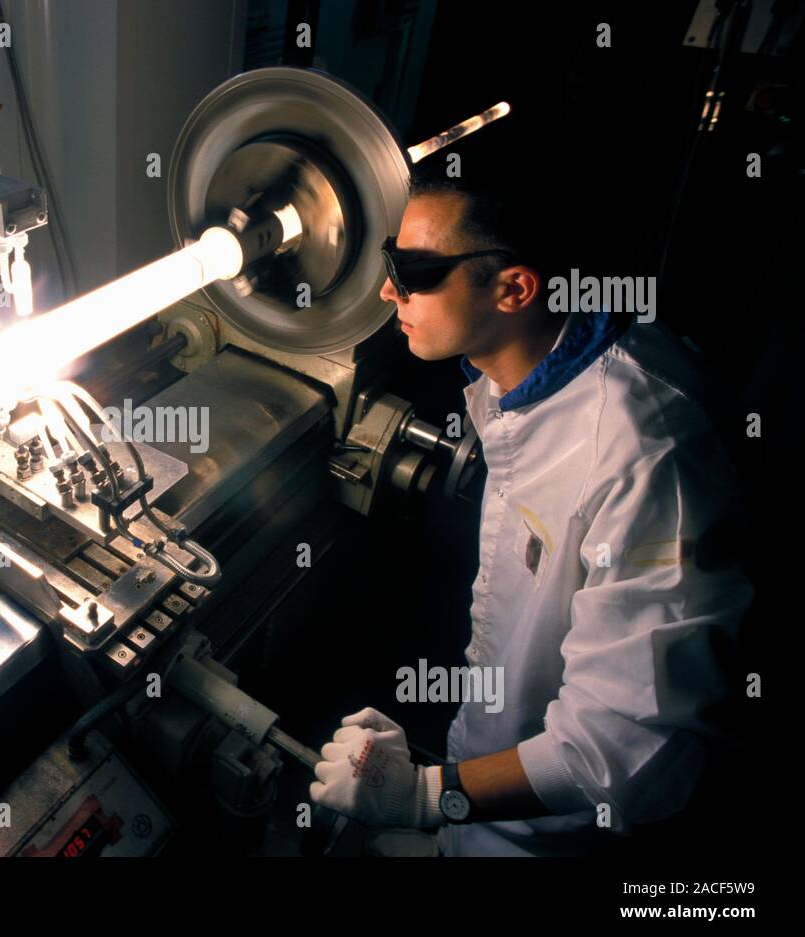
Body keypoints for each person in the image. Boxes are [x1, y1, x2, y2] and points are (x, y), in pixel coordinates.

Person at [308, 147, 753, 856]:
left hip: (561, 837)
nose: (389, 293)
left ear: (513, 289)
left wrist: (423, 795)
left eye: (414, 275)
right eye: (393, 262)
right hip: (488, 792)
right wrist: (448, 781)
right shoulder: (520, 370)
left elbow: (625, 752)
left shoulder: (645, 453)